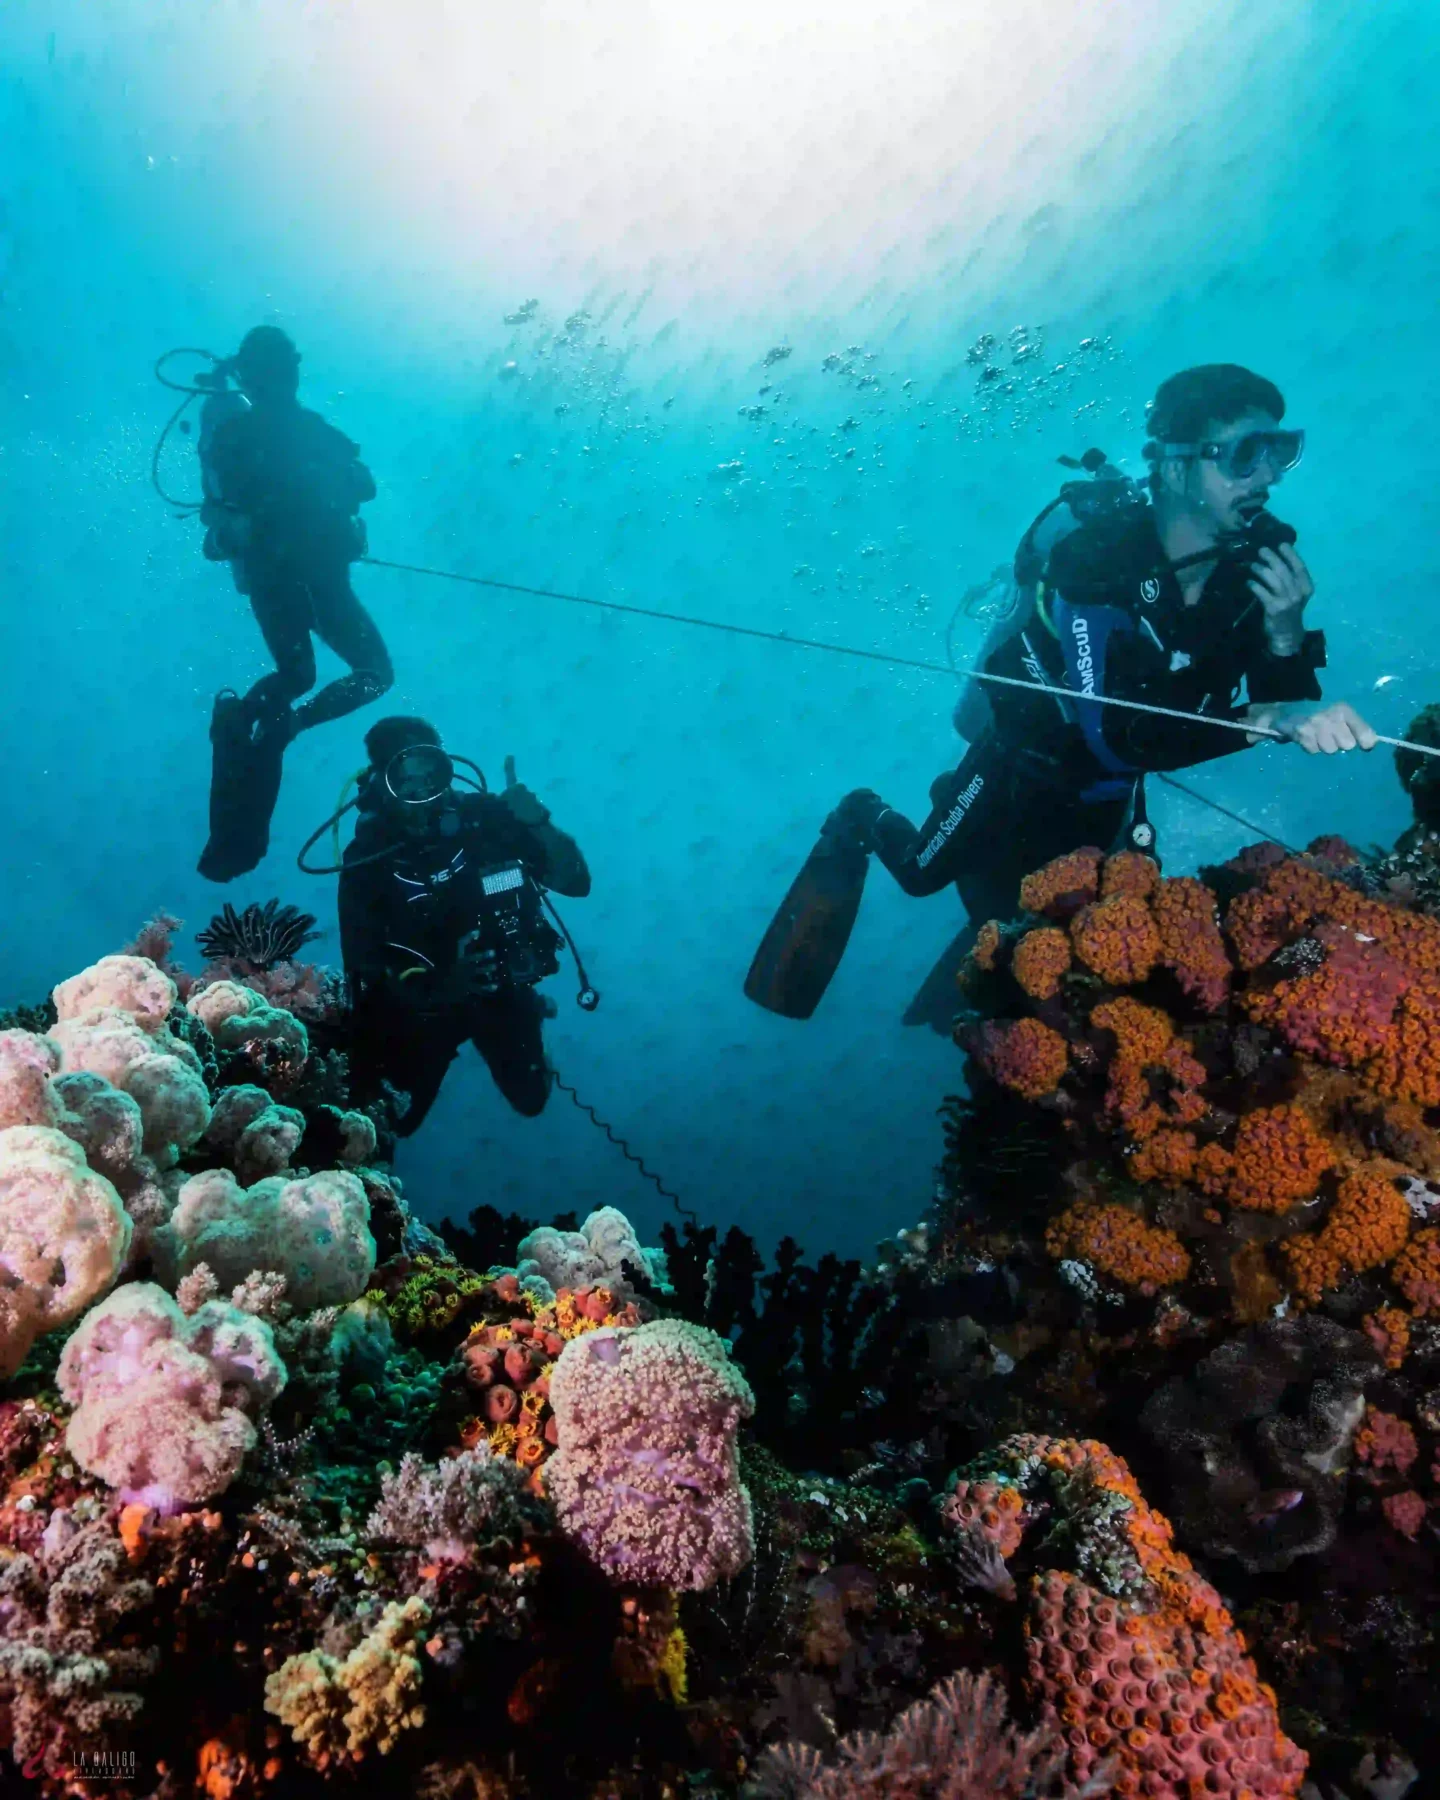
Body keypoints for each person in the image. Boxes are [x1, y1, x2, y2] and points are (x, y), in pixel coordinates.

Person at [782, 364, 1377, 1026]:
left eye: (1281, 450)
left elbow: (1277, 697)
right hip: (1024, 764)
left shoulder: (1259, 562)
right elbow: (1112, 740)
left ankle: (995, 910)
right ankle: (864, 813)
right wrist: (1272, 718)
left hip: (1109, 794)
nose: (1267, 476)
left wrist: (1286, 637)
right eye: (1245, 455)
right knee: (923, 874)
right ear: (1177, 468)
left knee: (1086, 916)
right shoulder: (1094, 569)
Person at [196, 326, 394, 883]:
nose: (286, 378)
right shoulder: (281, 431)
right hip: (300, 577)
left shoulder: (245, 430)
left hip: (291, 577)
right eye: (281, 369)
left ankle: (254, 722)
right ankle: (266, 724)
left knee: (302, 672)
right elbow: (359, 485)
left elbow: (358, 486)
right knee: (357, 674)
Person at [338, 717, 591, 1133]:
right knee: (395, 1120)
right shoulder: (368, 856)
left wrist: (538, 823)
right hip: (423, 1003)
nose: (420, 789)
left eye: (430, 772)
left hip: (502, 984)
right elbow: (362, 965)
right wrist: (440, 988)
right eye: (404, 776)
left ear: (446, 769)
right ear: (380, 782)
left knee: (531, 1099)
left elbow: (576, 883)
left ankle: (528, 1011)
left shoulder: (490, 818)